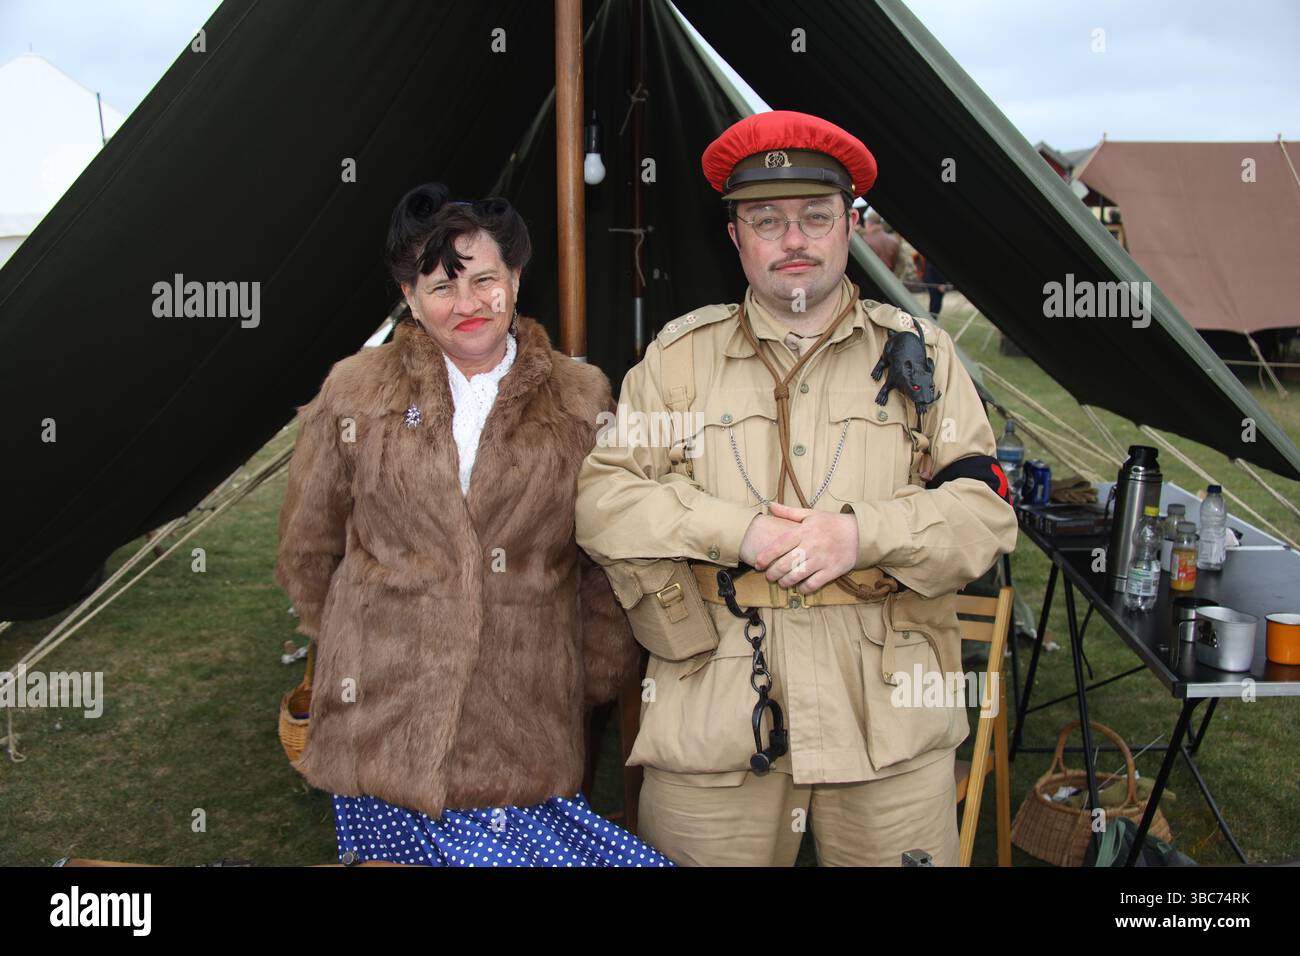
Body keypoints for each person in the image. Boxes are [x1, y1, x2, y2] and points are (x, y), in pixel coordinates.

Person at [575, 111, 1017, 867]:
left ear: (850, 225)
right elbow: (603, 499)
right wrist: (736, 529)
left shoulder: (925, 361)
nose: (794, 239)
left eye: (816, 216)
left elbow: (985, 515)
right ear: (736, 236)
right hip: (714, 711)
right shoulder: (677, 363)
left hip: (887, 716)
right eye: (767, 219)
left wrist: (860, 536)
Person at [274, 183, 669, 867]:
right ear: (408, 296)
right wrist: (355, 641)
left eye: (484, 279)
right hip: (381, 715)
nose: (466, 306)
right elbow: (309, 543)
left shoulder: (581, 398)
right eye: (439, 287)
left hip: (523, 717)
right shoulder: (355, 389)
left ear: (516, 278)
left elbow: (604, 558)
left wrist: (591, 672)